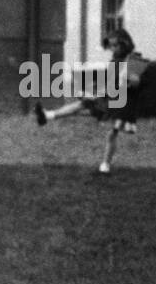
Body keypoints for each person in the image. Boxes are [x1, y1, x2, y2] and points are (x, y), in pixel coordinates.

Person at [34, 28, 148, 174]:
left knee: (110, 130)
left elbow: (135, 82)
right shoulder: (116, 60)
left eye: (116, 45)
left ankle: (105, 165)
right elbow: (111, 82)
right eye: (111, 45)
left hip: (123, 103)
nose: (113, 48)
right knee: (84, 106)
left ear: (124, 43)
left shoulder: (133, 60)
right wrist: (94, 91)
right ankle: (47, 116)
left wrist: (130, 80)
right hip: (112, 99)